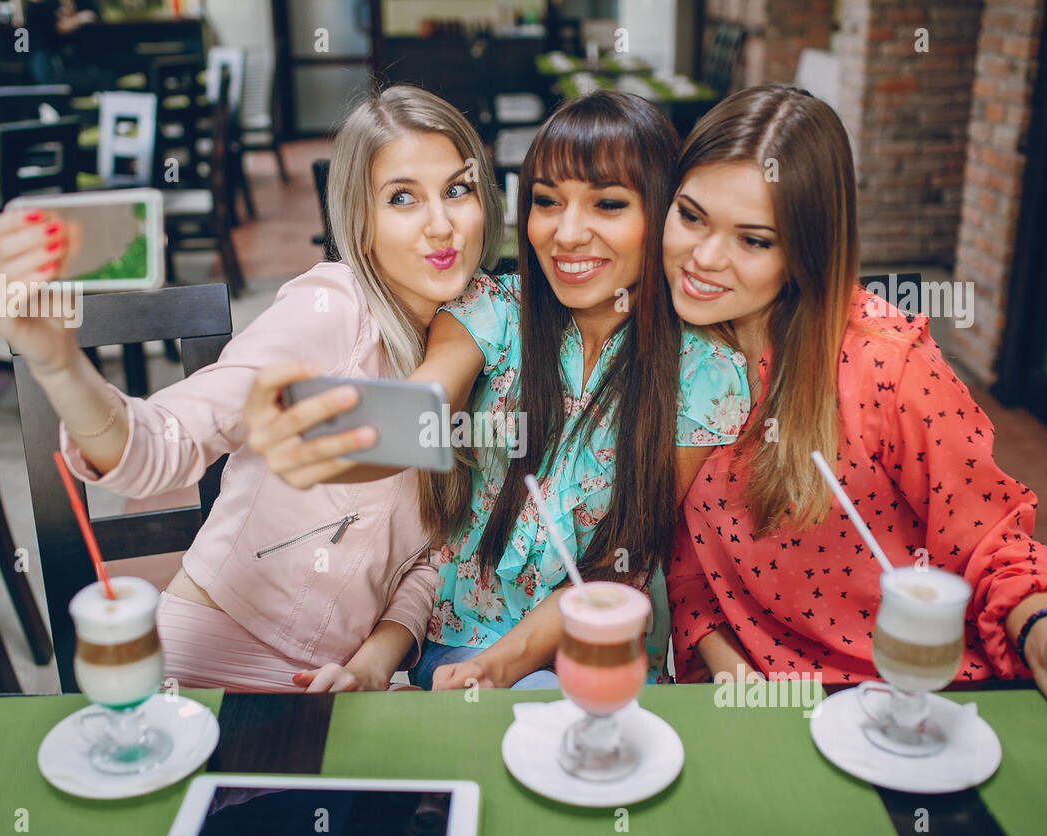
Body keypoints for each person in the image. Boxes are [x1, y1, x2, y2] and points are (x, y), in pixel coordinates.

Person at [0, 85, 503, 693]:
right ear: (360, 222)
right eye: (402, 197)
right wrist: (59, 363)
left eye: (456, 190)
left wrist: (371, 664)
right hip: (211, 653)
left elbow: (435, 562)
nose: (441, 226)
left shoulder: (489, 335)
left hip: (335, 684)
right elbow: (159, 448)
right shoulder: (333, 308)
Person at [660, 85, 1047, 754]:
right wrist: (737, 684)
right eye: (691, 216)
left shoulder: (889, 365)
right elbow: (687, 573)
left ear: (805, 251)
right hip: (767, 714)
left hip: (923, 707)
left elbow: (991, 542)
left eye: (753, 240)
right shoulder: (665, 355)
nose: (703, 257)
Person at [274, 92, 750, 690]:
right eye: (547, 202)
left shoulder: (704, 373)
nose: (567, 234)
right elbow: (429, 398)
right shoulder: (493, 308)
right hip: (455, 645)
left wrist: (499, 667)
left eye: (607, 204)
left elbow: (618, 565)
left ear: (663, 215)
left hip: (592, 653)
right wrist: (336, 431)